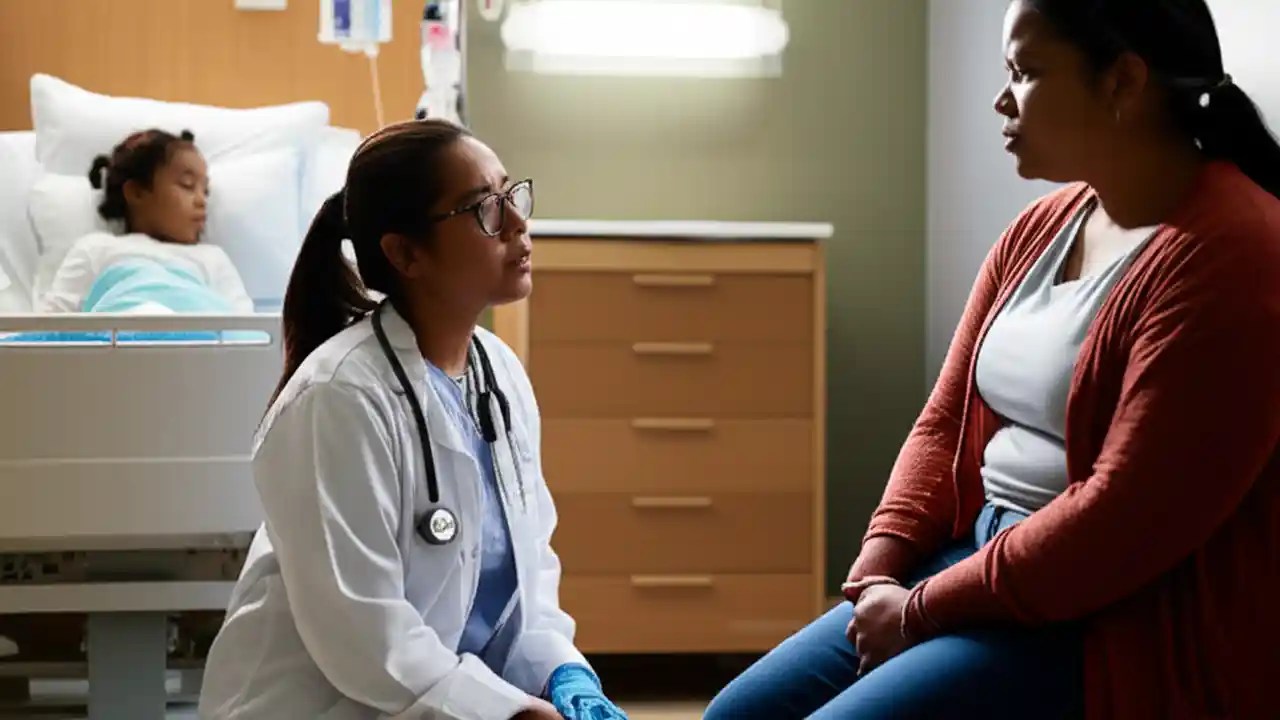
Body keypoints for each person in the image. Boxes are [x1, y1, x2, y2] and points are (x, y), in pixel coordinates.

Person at [706, 1, 1280, 718]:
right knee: (737, 715)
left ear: (1121, 83)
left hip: (1099, 614)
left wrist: (917, 613)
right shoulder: (1044, 226)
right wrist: (878, 573)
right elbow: (945, 420)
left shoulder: (1235, 253)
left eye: (1027, 72)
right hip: (972, 562)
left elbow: (1114, 525)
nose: (1001, 99)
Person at [197, 119, 627, 720]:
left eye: (511, 195)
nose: (517, 224)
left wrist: (563, 673)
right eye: (482, 208)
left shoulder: (498, 375)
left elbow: (527, 578)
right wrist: (515, 713)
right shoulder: (339, 398)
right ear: (404, 253)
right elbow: (366, 639)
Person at [36, 129, 253, 314]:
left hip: (199, 356)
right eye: (187, 185)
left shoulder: (212, 259)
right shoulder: (96, 249)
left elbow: (250, 334)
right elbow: (49, 326)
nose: (201, 200)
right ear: (137, 192)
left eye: (205, 191)